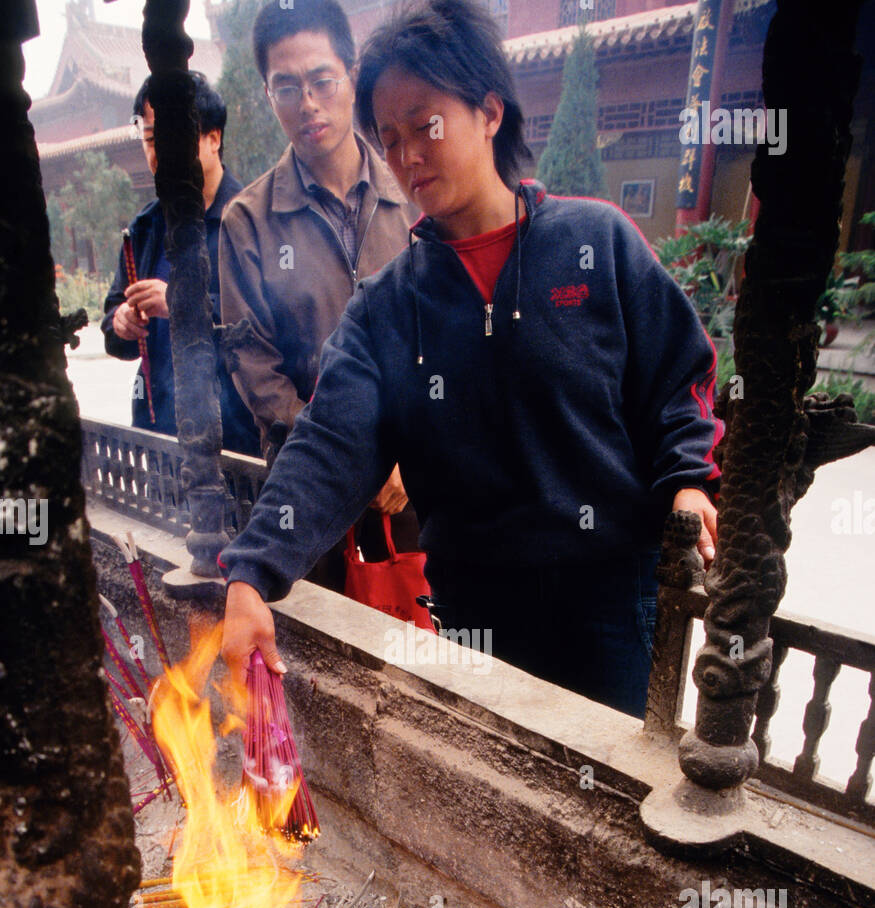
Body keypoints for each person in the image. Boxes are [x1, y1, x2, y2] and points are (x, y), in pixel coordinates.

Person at [220, 0, 720, 718]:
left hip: (612, 601)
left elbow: (678, 379)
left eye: (424, 124)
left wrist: (687, 484)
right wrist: (250, 572)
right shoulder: (388, 307)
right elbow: (328, 445)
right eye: (387, 137)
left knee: (609, 808)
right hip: (475, 616)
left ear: (488, 112)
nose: (405, 156)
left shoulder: (596, 243)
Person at [219, 0, 418, 587]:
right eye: (285, 88)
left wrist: (405, 454)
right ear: (267, 95)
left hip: (415, 485)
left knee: (420, 653)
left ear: (352, 74)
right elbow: (253, 364)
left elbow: (446, 337)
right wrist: (348, 457)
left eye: (321, 80)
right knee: (322, 663)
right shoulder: (248, 221)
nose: (306, 103)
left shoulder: (410, 197)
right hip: (307, 497)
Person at [102, 73, 260, 457]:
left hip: (240, 442)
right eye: (152, 139)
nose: (162, 151)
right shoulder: (145, 227)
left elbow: (271, 327)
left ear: (213, 137)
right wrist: (121, 323)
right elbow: (111, 321)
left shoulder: (256, 221)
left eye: (177, 134)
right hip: (160, 441)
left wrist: (182, 303)